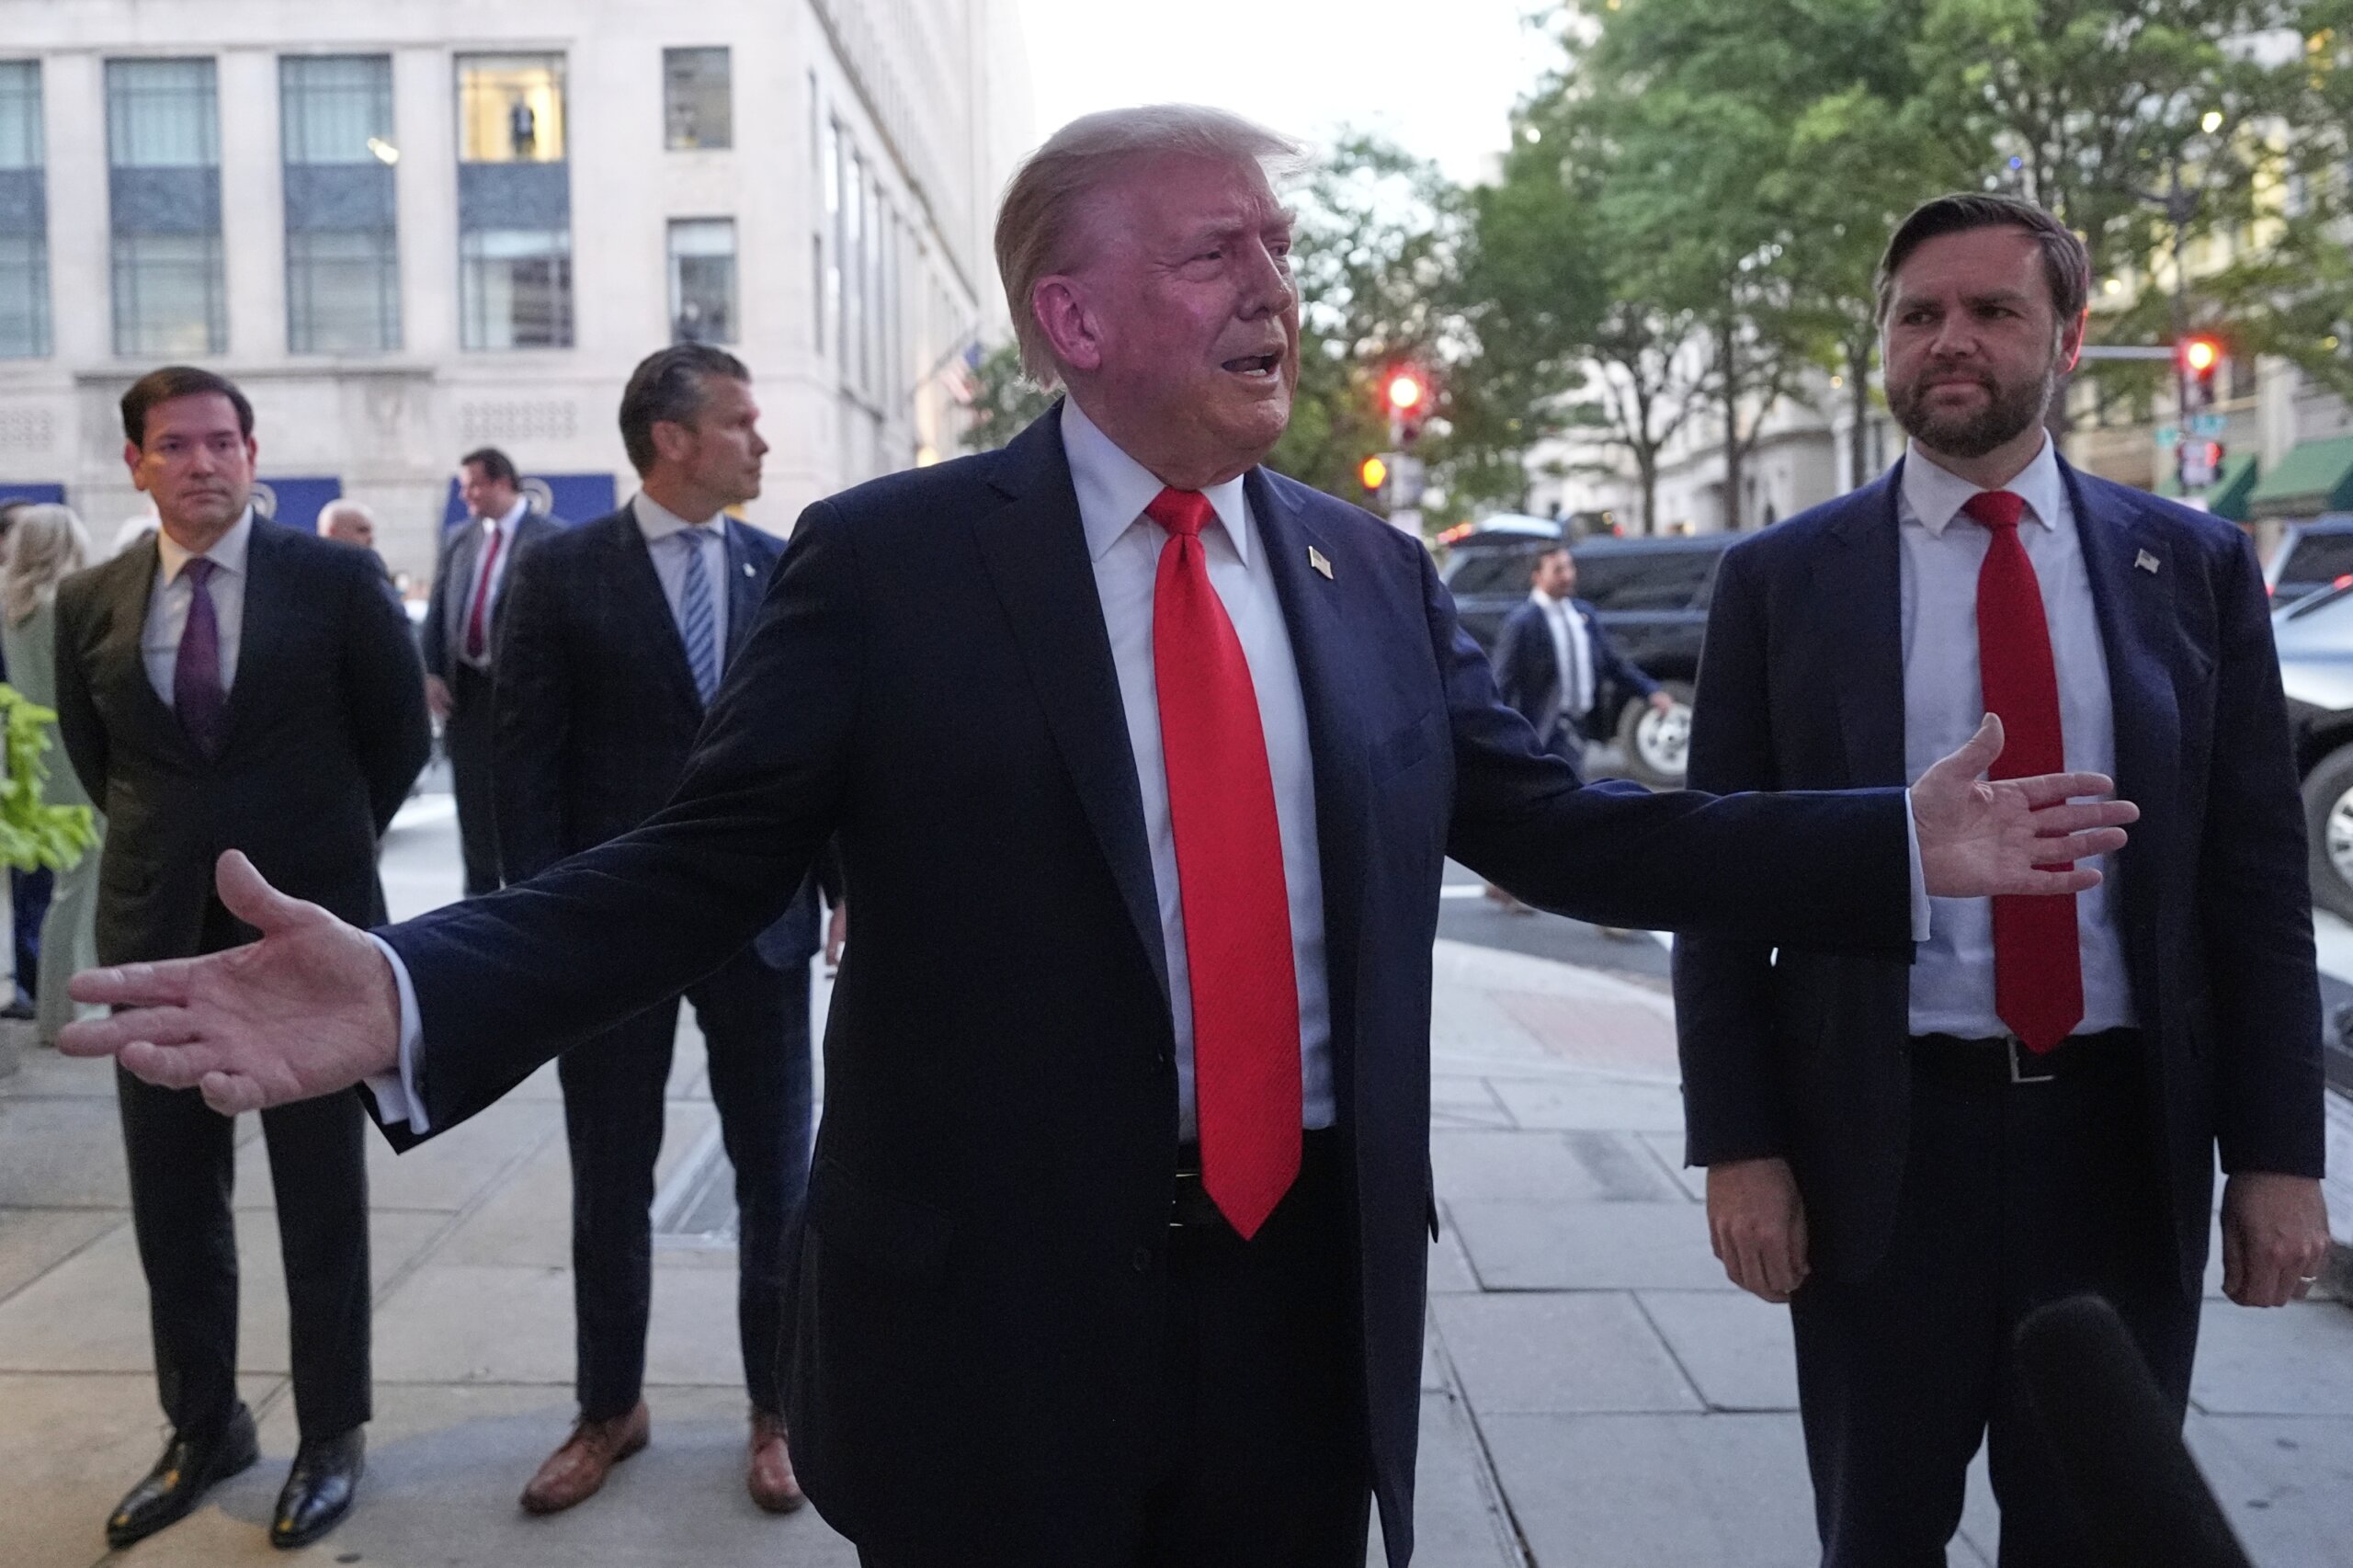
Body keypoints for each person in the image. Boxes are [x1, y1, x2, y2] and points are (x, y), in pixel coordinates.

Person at [64, 112, 2136, 1568]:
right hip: (993, 1318)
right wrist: (419, 979)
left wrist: (1892, 848)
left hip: (1299, 1292)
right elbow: (705, 867)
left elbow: (1563, 827)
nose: (1277, 290)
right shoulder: (887, 567)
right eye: (1217, 251)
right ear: (1072, 319)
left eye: (1279, 252)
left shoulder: (1360, 569)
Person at [1674, 193, 2331, 1567]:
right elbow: (1725, 887)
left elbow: (2255, 876)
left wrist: (2276, 1157)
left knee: (2097, 1527)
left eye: (1992, 311)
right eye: (1919, 315)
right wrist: (1741, 1145)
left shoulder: (2193, 566)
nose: (1948, 341)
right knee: (1876, 1531)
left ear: (2071, 338)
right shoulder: (1784, 579)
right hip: (1879, 1150)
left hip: (2118, 1143)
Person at [54, 366, 431, 1551]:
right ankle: (203, 1424)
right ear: (137, 464)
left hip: (304, 944)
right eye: (176, 444)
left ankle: (330, 1433)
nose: (204, 462)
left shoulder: (336, 581)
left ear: (253, 454)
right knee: (174, 1203)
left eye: (224, 441)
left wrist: (325, 856)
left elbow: (399, 738)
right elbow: (95, 751)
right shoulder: (90, 600)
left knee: (321, 1198)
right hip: (155, 942)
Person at [492, 344, 835, 1517]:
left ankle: (778, 1411)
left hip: (762, 927)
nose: (761, 441)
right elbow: (521, 766)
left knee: (777, 1182)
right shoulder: (559, 571)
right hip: (611, 937)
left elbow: (816, 754)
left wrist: (845, 889)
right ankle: (608, 1408)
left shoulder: (780, 565)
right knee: (608, 1180)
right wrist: (533, 935)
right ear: (673, 440)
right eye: (740, 421)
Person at [421, 448, 558, 896]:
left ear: (503, 483)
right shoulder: (459, 539)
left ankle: (529, 900)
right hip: (469, 697)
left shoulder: (552, 539)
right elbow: (439, 611)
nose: (466, 496)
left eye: (473, 485)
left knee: (525, 803)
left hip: (526, 697)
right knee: (474, 813)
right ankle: (476, 905)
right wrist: (431, 673)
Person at [0, 503, 100, 1045]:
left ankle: (58, 1009)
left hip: (34, 752)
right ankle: (67, 1013)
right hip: (78, 751)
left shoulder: (12, 605)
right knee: (82, 885)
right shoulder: (69, 604)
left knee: (68, 884)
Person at [1493, 544, 1672, 764]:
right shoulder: (1523, 623)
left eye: (1569, 567)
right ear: (1538, 577)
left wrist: (1650, 691)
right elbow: (1503, 680)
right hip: (1547, 728)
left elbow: (1611, 662)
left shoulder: (1583, 614)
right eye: (1558, 570)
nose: (1567, 576)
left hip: (1583, 723)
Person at [0, 498, 52, 1019]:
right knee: (32, 874)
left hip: (34, 750)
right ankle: (35, 982)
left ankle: (38, 983)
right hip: (18, 754)